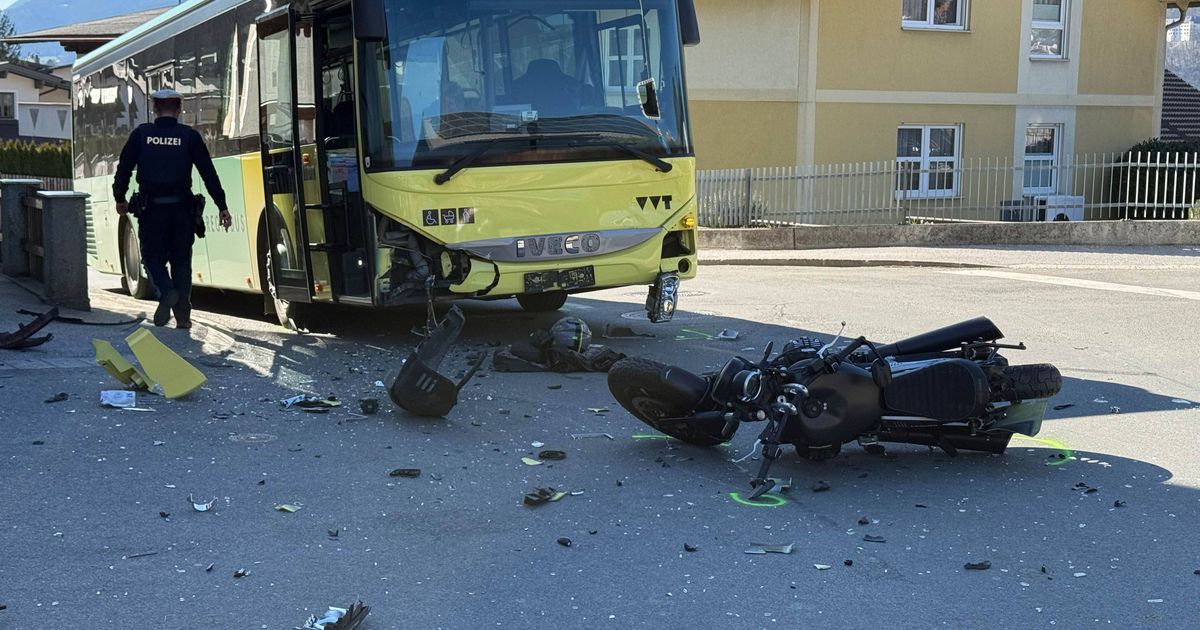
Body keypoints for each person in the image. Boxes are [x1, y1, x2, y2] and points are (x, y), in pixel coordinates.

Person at [113, 89, 232, 329]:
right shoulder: (189, 136)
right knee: (181, 261)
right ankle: (183, 317)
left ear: (154, 109)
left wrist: (120, 198)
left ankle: (166, 291)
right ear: (179, 109)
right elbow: (208, 173)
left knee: (151, 257)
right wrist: (222, 206)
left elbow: (124, 169)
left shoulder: (141, 135)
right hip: (182, 211)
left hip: (151, 210)